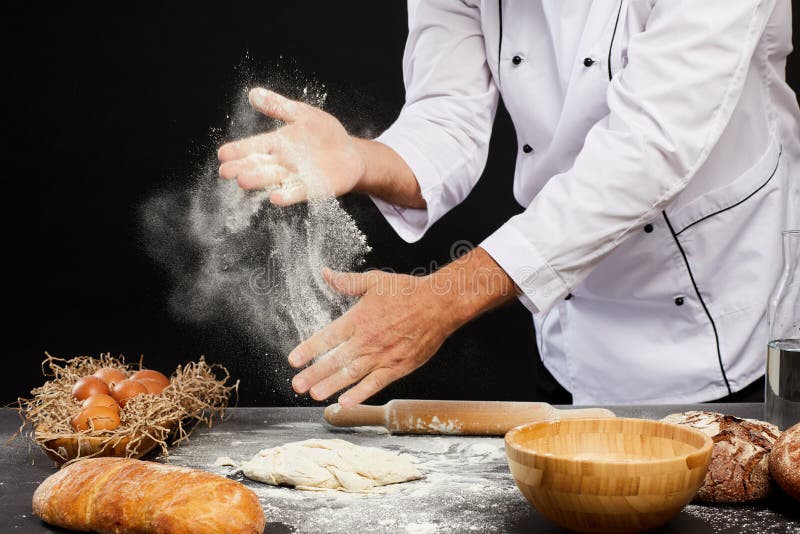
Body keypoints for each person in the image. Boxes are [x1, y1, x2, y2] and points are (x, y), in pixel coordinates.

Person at [218, 0, 800, 408]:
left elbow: (649, 151)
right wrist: (360, 158)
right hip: (573, 328)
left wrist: (439, 301)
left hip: (725, 317)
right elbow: (447, 114)